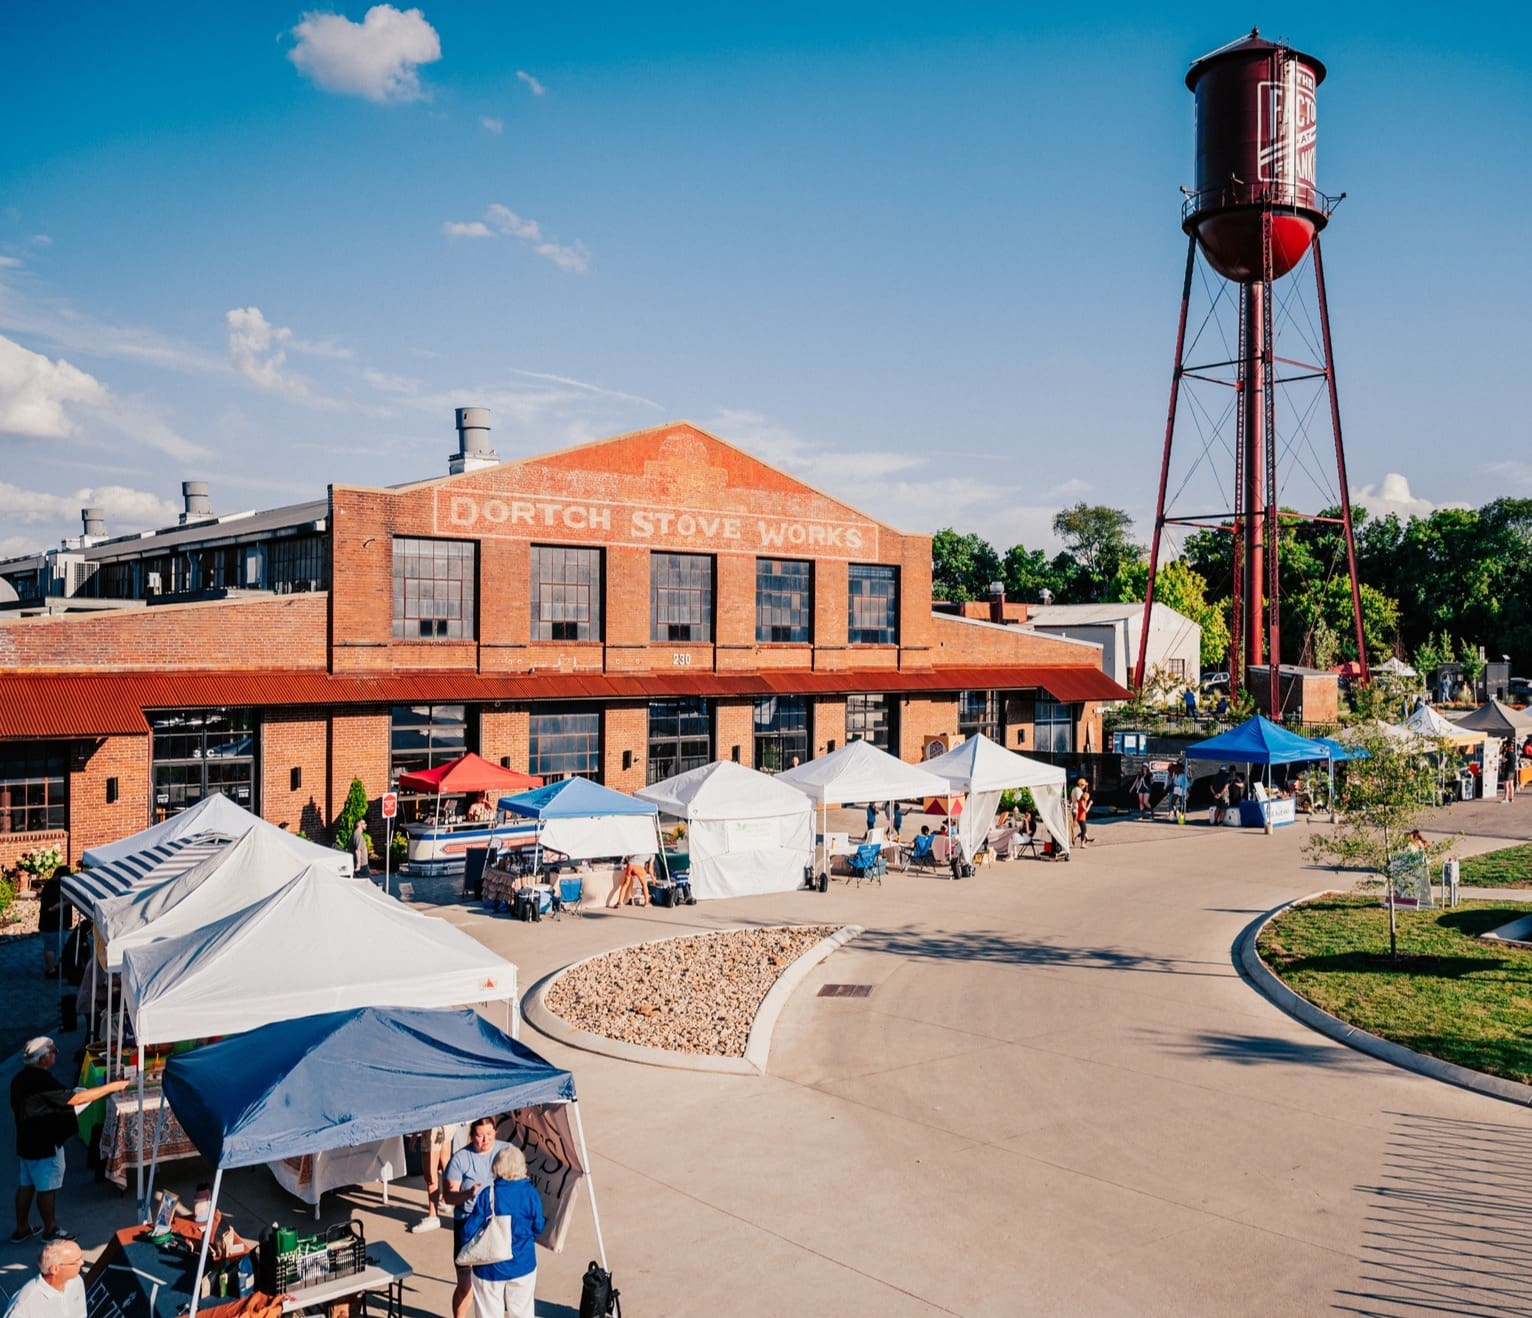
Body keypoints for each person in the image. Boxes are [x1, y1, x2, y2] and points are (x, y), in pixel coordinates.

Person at [12, 1037, 130, 1243]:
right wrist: (111, 1087)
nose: (56, 1054)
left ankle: (22, 1228)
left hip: (26, 1140)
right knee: (46, 1187)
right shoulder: (42, 1082)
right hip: (44, 1142)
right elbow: (76, 1099)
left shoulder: (19, 1079)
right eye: (53, 1051)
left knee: (26, 1185)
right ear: (43, 1059)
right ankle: (50, 1229)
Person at [460, 1143, 545, 1318]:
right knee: (523, 1312)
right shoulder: (530, 1193)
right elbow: (538, 1227)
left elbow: (468, 1231)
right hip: (522, 1263)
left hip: (489, 1267)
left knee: (488, 1313)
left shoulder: (488, 1194)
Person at [443, 1116, 510, 1318]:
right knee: (466, 1285)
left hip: (496, 1223)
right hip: (467, 1224)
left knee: (495, 1282)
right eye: (480, 1136)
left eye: (489, 1134)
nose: (485, 1140)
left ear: (495, 1132)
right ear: (471, 1135)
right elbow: (448, 1197)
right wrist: (468, 1193)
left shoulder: (506, 1151)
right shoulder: (460, 1159)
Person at [4, 1238, 86, 1317]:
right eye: (76, 1261)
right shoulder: (23, 1306)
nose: (82, 1263)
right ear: (54, 1269)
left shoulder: (76, 1280)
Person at [36, 872, 71, 979]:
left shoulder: (49, 885)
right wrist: (68, 901)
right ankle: (51, 970)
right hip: (52, 924)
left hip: (47, 923)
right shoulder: (54, 887)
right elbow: (52, 908)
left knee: (48, 946)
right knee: (51, 947)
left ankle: (49, 968)